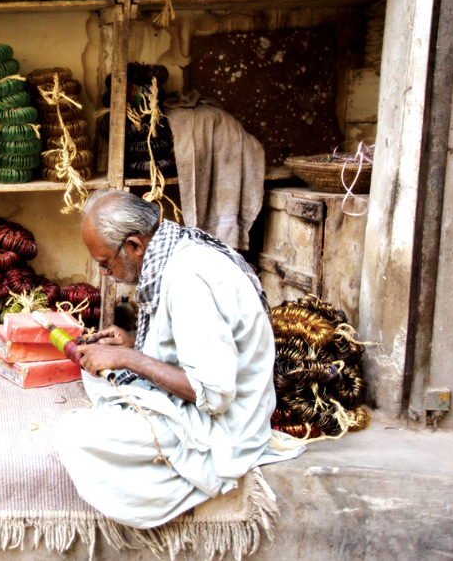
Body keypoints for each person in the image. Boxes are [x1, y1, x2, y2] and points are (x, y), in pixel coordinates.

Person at [51, 188, 299, 528]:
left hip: (224, 425)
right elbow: (188, 345)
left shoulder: (189, 279)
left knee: (75, 434)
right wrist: (133, 343)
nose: (106, 275)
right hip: (210, 397)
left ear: (135, 246)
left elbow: (212, 393)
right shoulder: (176, 252)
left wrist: (128, 360)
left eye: (105, 264)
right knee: (95, 374)